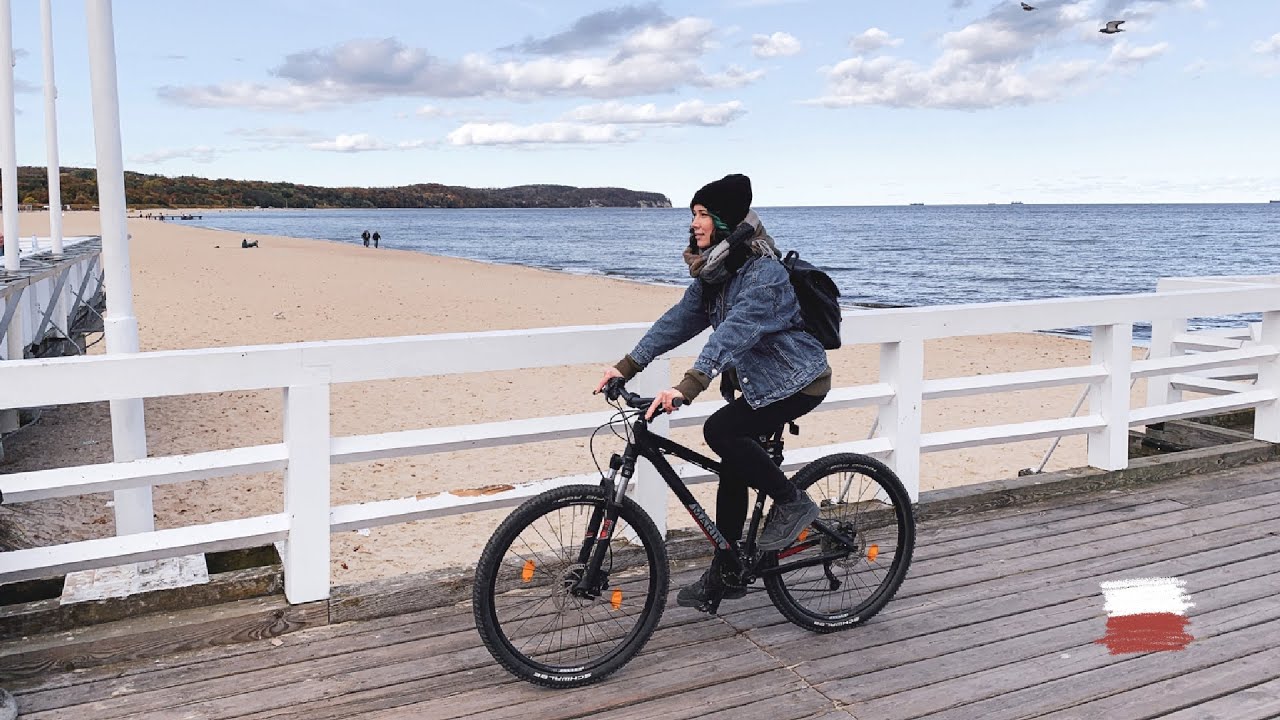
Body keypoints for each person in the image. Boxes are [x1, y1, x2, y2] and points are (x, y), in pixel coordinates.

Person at [595, 173, 831, 610]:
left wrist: (689, 385)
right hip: (761, 384)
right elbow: (679, 320)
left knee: (721, 432)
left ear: (725, 222)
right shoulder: (718, 272)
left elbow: (732, 335)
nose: (694, 224)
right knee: (733, 467)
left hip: (797, 380)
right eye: (693, 215)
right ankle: (727, 572)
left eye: (703, 215)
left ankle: (792, 503)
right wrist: (626, 365)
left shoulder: (764, 275)